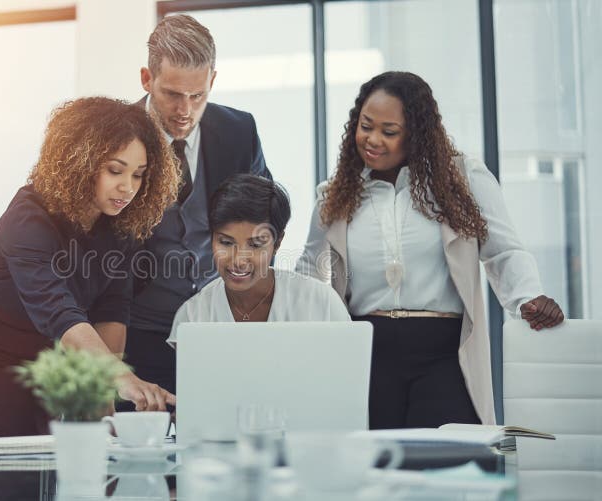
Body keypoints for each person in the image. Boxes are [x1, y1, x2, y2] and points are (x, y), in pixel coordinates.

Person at [296, 71, 564, 429]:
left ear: (417, 134)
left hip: (445, 355)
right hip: (365, 354)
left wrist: (527, 297)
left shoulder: (462, 178)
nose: (373, 140)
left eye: (389, 132)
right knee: (377, 472)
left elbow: (502, 251)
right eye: (366, 126)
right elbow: (309, 271)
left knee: (444, 465)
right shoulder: (335, 194)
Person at [0, 97, 180, 447]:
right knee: (20, 471)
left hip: (51, 362)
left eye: (139, 175)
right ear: (80, 163)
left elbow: (112, 308)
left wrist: (107, 413)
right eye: (115, 170)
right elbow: (56, 307)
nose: (128, 187)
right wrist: (120, 376)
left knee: (65, 466)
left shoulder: (120, 224)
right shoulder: (26, 219)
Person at [120, 14, 272, 407]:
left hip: (216, 328)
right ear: (146, 79)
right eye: (172, 94)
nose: (185, 110)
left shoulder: (240, 130)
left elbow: (266, 211)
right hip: (136, 329)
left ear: (212, 82)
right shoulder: (116, 136)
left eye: (197, 95)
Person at [167, 174, 350, 347]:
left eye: (255, 245)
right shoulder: (192, 317)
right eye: (226, 243)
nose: (239, 260)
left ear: (277, 243)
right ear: (211, 238)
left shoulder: (321, 303)